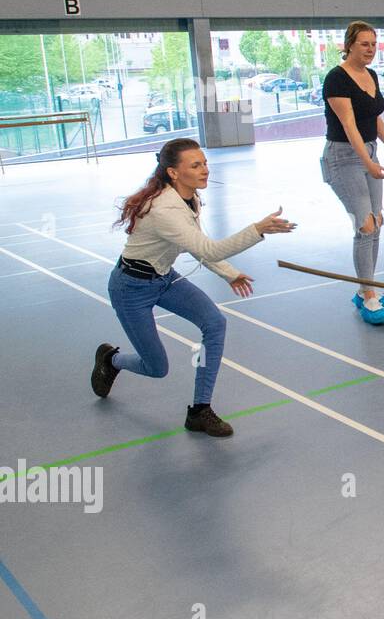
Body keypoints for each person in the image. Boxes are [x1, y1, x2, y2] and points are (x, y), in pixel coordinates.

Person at [92, 139, 296, 437]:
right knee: (156, 367)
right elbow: (209, 250)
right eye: (196, 165)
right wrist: (257, 229)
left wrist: (229, 274)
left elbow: (196, 246)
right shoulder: (165, 210)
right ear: (173, 172)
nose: (205, 170)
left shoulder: (189, 198)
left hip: (164, 278)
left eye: (204, 163)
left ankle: (200, 410)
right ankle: (111, 360)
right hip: (131, 287)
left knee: (215, 323)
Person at [322, 20, 384, 325]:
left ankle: (366, 288)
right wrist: (367, 163)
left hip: (369, 150)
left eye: (374, 44)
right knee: (365, 225)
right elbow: (349, 125)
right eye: (364, 44)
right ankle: (369, 297)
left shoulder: (370, 75)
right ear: (350, 45)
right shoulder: (336, 79)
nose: (370, 50)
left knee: (377, 221)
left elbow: (374, 118)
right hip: (343, 157)